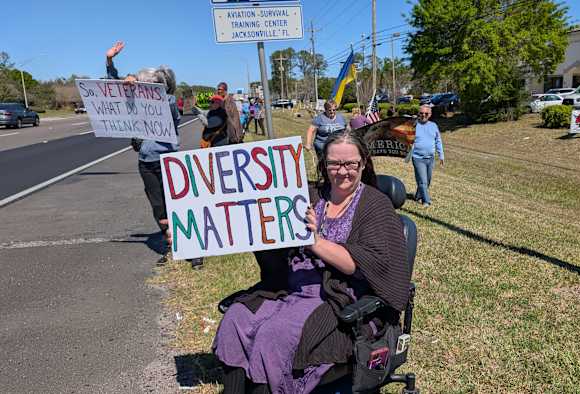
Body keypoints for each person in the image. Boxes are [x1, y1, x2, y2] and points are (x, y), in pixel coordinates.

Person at [177, 130, 409, 394]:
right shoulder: (308, 194)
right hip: (290, 287)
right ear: (324, 164)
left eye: (350, 164)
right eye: (334, 163)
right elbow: (251, 222)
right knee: (236, 318)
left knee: (273, 335)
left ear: (363, 163)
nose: (342, 171)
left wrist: (315, 242)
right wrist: (192, 234)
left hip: (337, 295)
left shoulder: (374, 205)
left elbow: (365, 264)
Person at [104, 41, 200, 267]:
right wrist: (110, 61)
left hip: (169, 160)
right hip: (146, 162)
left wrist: (138, 83)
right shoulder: (137, 104)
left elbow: (160, 98)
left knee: (178, 205)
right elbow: (111, 92)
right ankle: (172, 245)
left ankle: (193, 248)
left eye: (143, 85)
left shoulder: (167, 103)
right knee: (159, 207)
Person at [412, 105, 445, 207]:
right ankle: (426, 201)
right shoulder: (413, 125)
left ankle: (418, 195)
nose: (423, 115)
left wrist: (441, 155)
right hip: (417, 157)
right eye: (421, 113)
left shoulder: (434, 126)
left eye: (426, 113)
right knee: (423, 180)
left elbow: (438, 140)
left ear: (430, 114)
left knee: (428, 180)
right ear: (419, 114)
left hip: (430, 158)